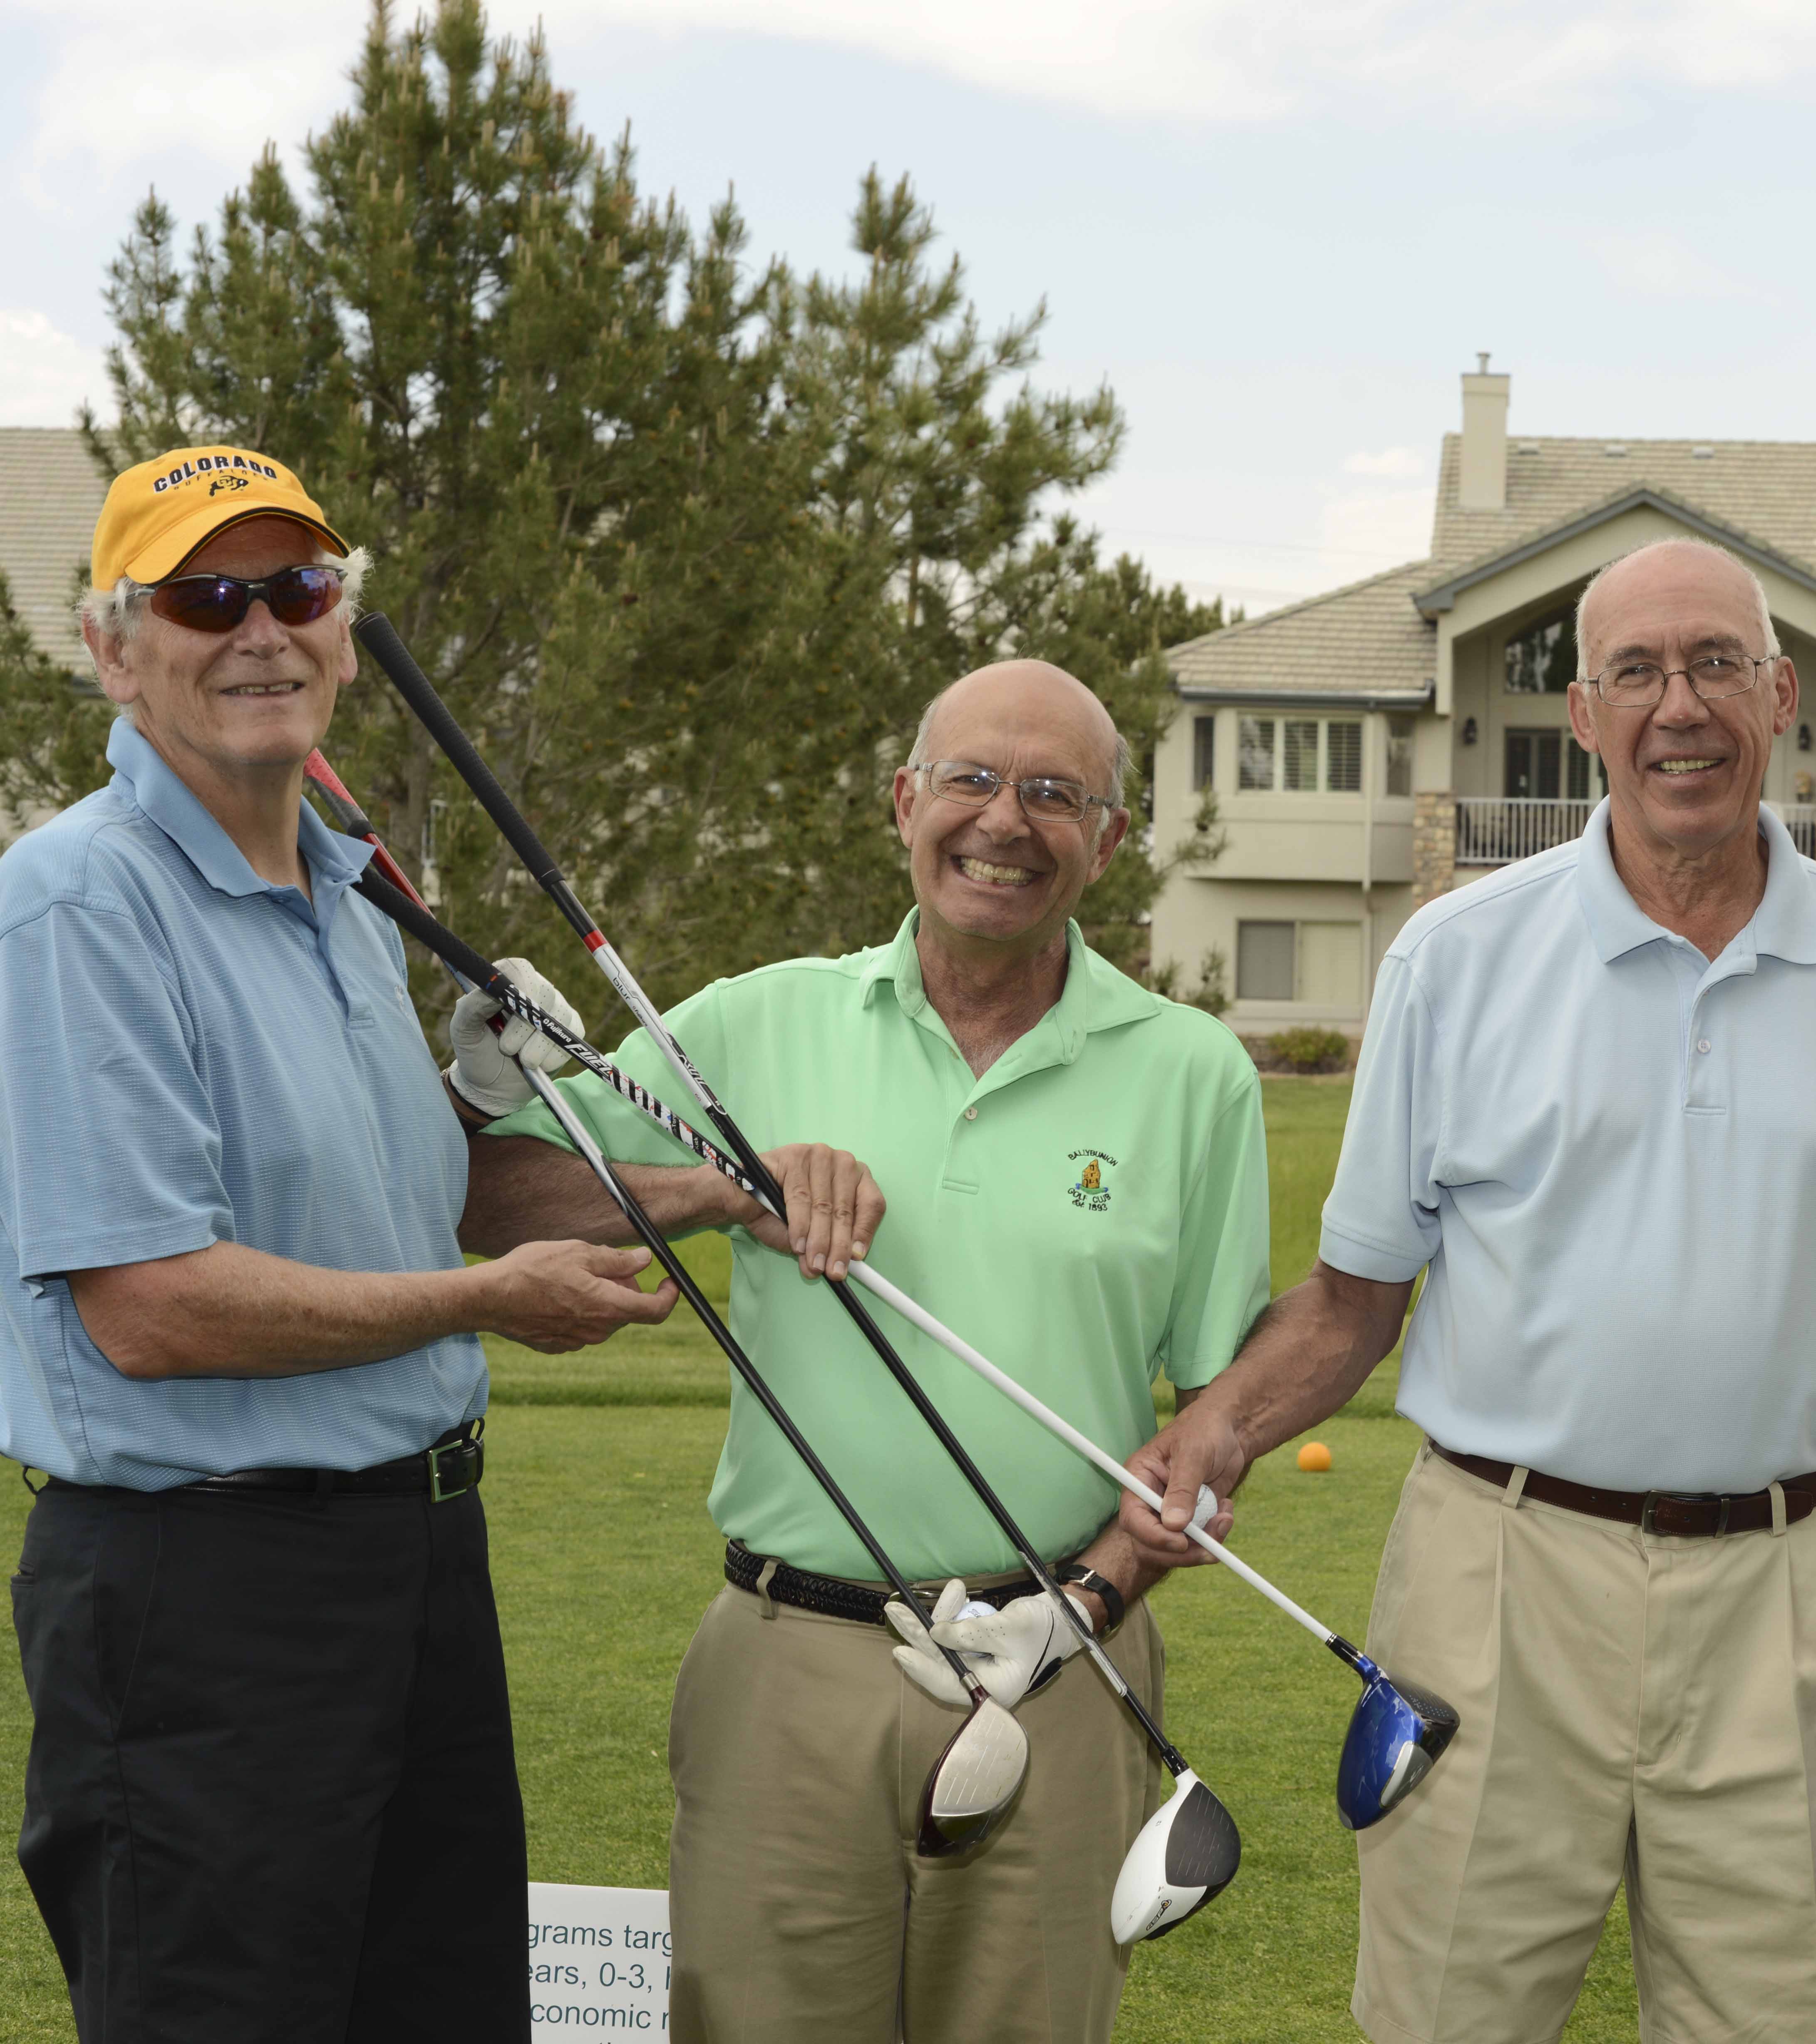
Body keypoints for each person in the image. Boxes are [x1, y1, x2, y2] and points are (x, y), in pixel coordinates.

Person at [1121, 536, 1816, 2044]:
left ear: (1782, 696)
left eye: (1718, 664)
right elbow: (1354, 1300)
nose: (1683, 706)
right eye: (1638, 674)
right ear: (1584, 717)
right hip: (1496, 1577)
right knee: (1448, 2014)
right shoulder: (1455, 959)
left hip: (1783, 1585)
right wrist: (1216, 1432)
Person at [0, 446, 827, 2038]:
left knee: (440, 2004)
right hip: (204, 1592)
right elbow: (152, 1307)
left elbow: (446, 1199)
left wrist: (718, 1186)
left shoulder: (357, 896)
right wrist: (486, 1306)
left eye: (300, 589)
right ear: (114, 647)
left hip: (418, 1563)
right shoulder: (75, 908)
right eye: (205, 595)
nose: (263, 630)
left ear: (342, 626)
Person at [462, 657, 1270, 2044]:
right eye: (969, 780)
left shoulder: (1193, 1071)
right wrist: (727, 1188)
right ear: (905, 803)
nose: (1003, 822)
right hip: (790, 1663)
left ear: (1109, 842)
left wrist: (1097, 1588)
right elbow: (500, 1197)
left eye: (1052, 794)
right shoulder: (750, 1021)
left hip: (1069, 1664)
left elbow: (1221, 1410)